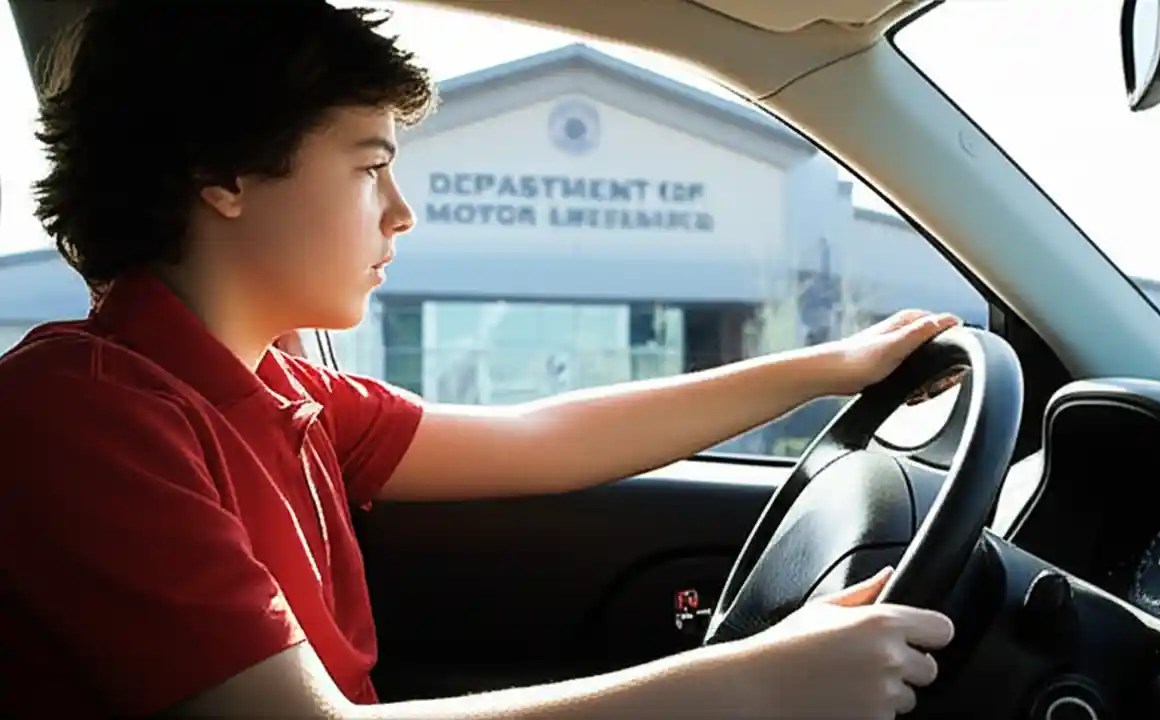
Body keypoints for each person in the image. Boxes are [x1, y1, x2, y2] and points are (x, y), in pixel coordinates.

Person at [0, 1, 960, 717]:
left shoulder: (279, 391)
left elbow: (544, 437)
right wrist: (753, 685)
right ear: (222, 176)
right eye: (370, 166)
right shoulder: (83, 415)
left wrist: (828, 366)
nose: (400, 211)